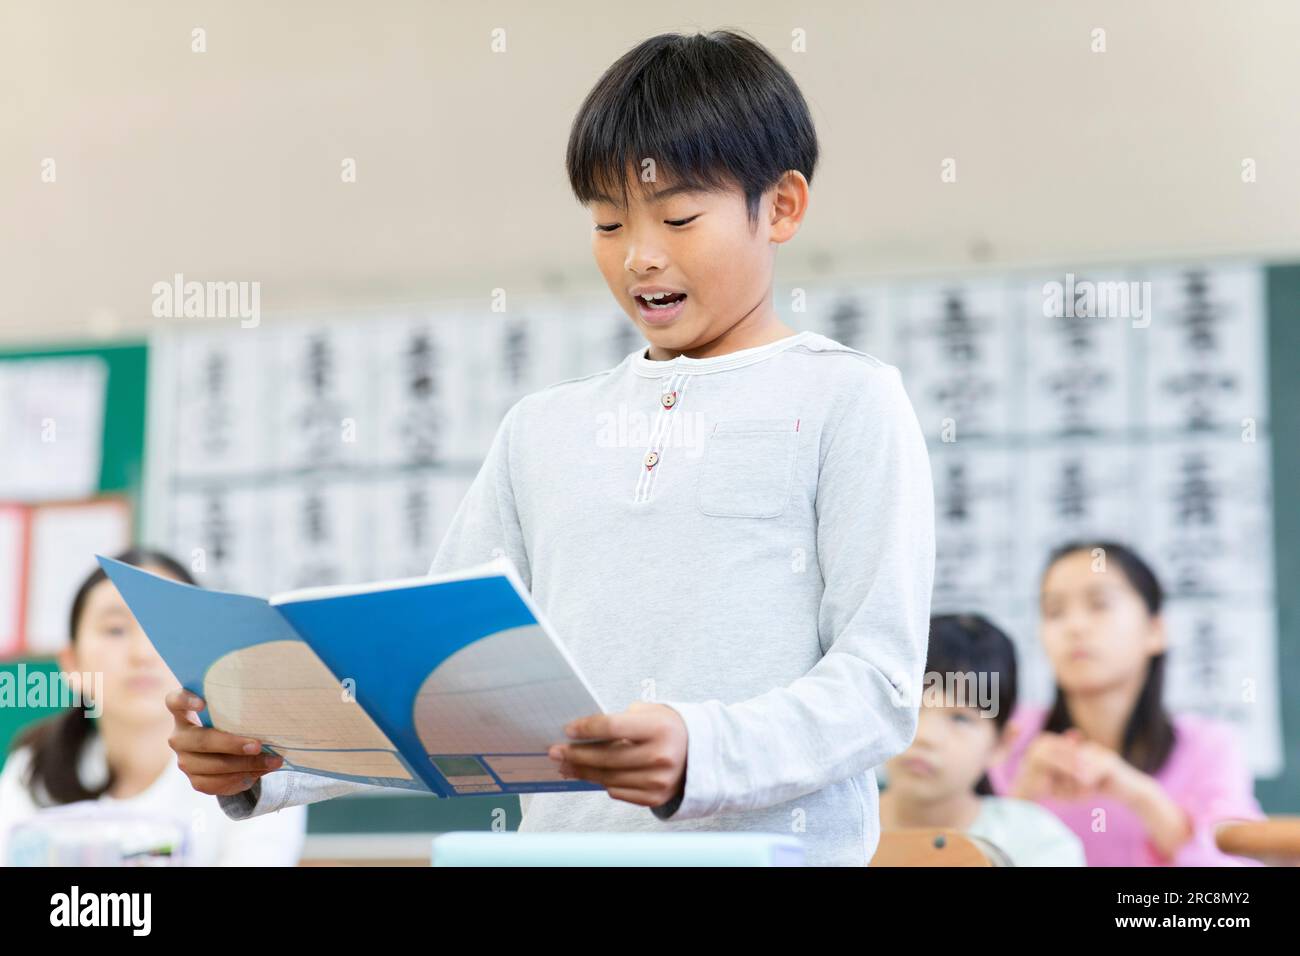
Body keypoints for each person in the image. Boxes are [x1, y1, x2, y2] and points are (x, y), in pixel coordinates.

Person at [167, 29, 936, 866]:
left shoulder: (847, 399)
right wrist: (267, 757)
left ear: (781, 206)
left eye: (678, 216)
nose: (641, 255)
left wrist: (701, 749)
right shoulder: (543, 430)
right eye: (608, 223)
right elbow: (435, 686)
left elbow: (879, 687)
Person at [0, 548, 306, 866]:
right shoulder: (32, 770)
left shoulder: (256, 770)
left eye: (163, 629)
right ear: (72, 664)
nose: (143, 653)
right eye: (115, 630)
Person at [989, 541, 1265, 866]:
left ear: (1155, 630)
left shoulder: (1209, 745)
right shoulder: (1008, 735)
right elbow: (952, 849)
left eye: (1099, 604)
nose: (1074, 626)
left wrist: (1141, 796)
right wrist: (1023, 796)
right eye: (1054, 612)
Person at [879, 614, 1085, 866]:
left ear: (1001, 744)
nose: (925, 736)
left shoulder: (1038, 844)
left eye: (960, 718)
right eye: (911, 707)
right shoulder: (834, 824)